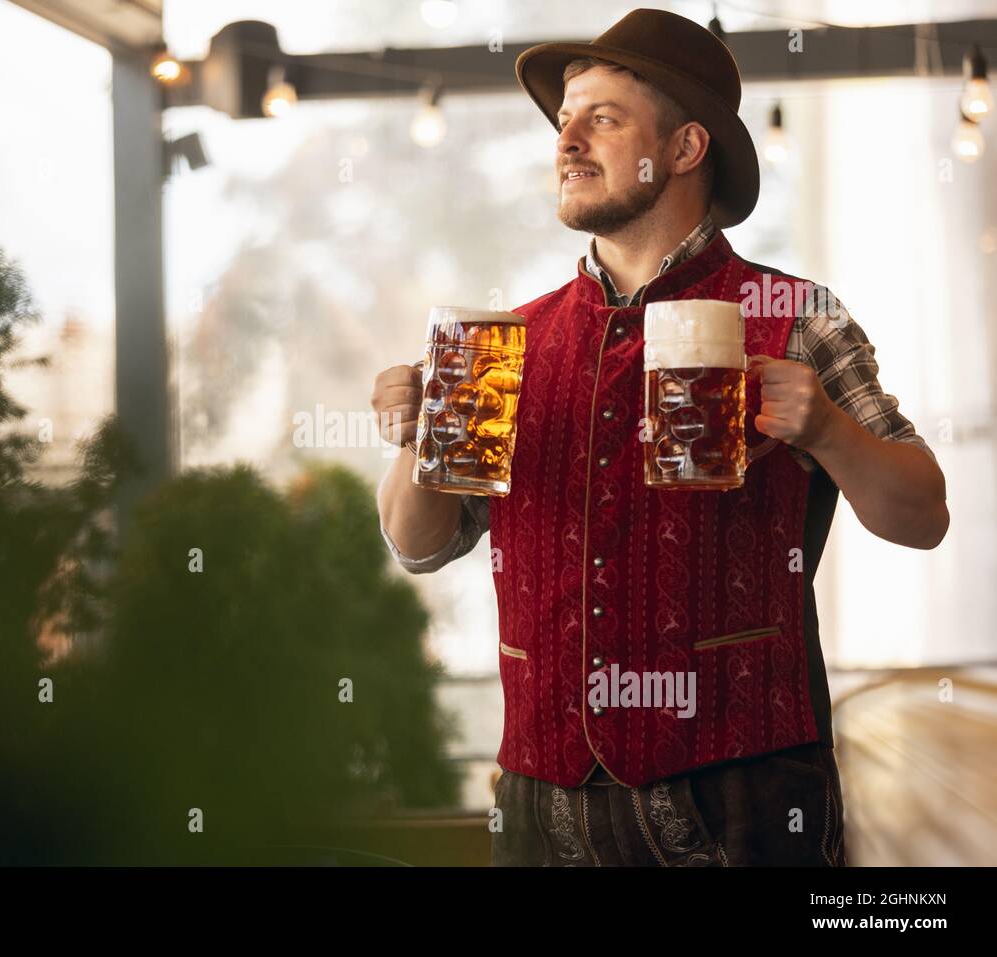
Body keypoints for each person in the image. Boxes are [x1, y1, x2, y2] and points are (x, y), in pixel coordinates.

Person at [370, 8, 949, 866]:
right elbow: (419, 546)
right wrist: (417, 440)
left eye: (601, 118)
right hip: (539, 801)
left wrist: (826, 427)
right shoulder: (507, 343)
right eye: (563, 121)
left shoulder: (796, 317)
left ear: (683, 148)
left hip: (741, 796)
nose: (567, 140)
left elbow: (923, 514)